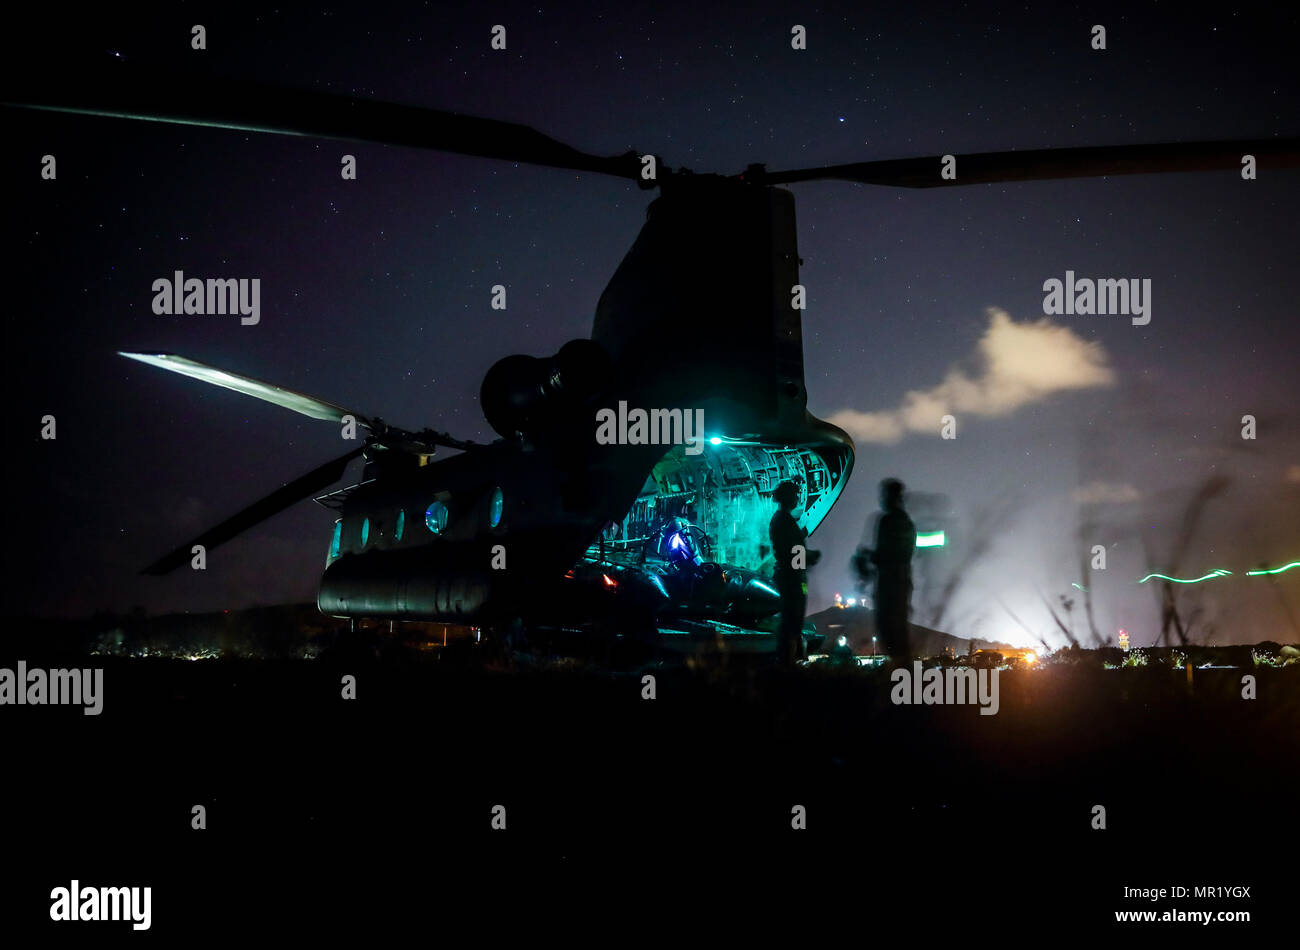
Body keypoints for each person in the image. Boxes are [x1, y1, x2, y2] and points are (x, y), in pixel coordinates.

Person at [769, 480, 818, 666]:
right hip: (792, 579)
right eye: (795, 494)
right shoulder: (784, 521)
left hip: (792, 577)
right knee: (791, 623)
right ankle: (787, 664)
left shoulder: (782, 520)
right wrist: (811, 556)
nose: (798, 497)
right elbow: (792, 552)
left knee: (792, 622)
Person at [871, 478, 916, 661]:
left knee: (891, 632)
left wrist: (870, 558)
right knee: (898, 632)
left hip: (890, 584)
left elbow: (888, 554)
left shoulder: (889, 521)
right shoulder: (906, 522)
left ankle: (902, 678)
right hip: (901, 583)